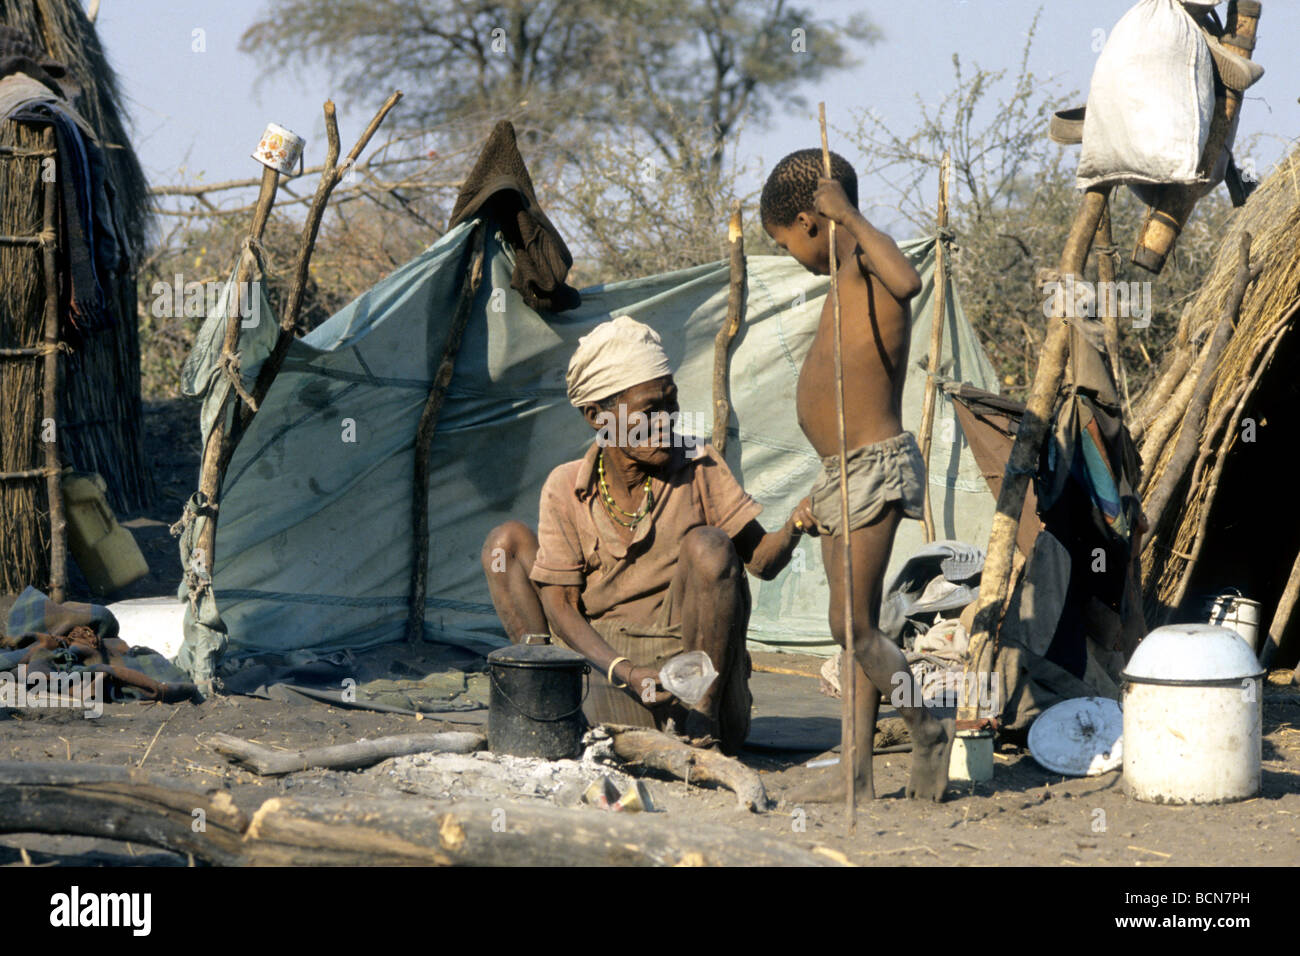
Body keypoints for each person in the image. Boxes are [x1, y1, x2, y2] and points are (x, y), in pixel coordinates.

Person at [482, 316, 815, 754]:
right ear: (598, 418)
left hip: (684, 687)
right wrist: (625, 671)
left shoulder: (699, 465)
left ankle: (703, 729)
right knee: (504, 545)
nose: (665, 422)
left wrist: (796, 523)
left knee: (709, 546)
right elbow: (558, 604)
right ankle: (543, 700)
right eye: (649, 412)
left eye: (670, 405)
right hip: (603, 682)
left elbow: (763, 563)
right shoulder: (566, 487)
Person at [760, 148, 954, 801]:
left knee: (853, 629)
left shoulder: (872, 258)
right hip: (842, 472)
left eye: (786, 243)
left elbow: (910, 281)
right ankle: (857, 774)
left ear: (811, 219)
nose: (793, 257)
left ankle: (925, 727)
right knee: (857, 626)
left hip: (873, 466)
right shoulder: (846, 273)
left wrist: (852, 213)